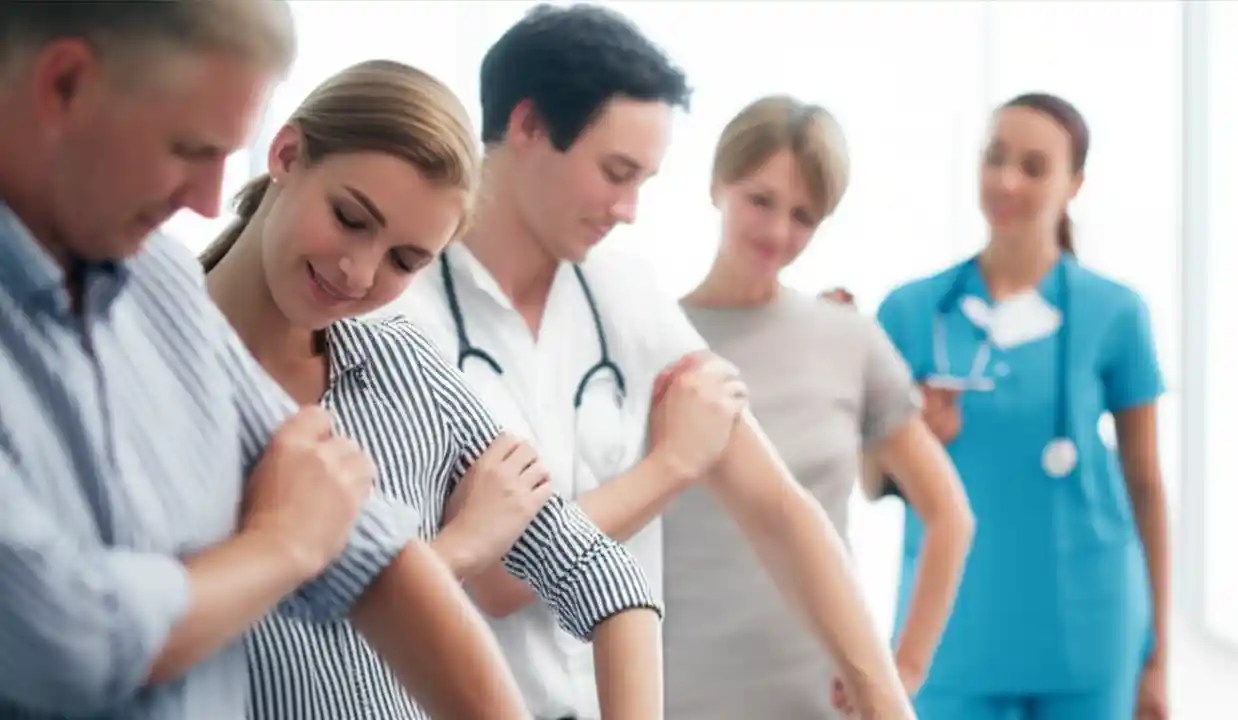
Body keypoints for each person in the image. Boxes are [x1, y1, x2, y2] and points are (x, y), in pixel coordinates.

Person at [0, 3, 533, 718]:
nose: (211, 198)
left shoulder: (156, 280)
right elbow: (70, 639)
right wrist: (281, 544)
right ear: (64, 85)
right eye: (188, 149)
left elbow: (367, 546)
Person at [387, 5, 916, 719]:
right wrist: (671, 465)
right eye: (615, 172)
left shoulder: (624, 292)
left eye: (645, 180)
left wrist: (885, 695)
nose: (630, 208)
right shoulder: (403, 311)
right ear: (529, 125)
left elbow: (777, 509)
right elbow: (503, 574)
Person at [201, 58, 663, 720]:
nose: (358, 273)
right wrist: (458, 551)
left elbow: (610, 584)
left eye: (404, 261)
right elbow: (202, 628)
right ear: (287, 153)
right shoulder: (137, 360)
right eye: (350, 218)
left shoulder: (405, 369)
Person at [667, 95, 975, 719]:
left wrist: (900, 669)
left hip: (818, 699)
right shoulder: (652, 338)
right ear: (716, 183)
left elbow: (949, 515)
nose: (779, 232)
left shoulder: (848, 339)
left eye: (804, 215)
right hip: (672, 691)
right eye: (760, 200)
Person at [874, 93, 1170, 720]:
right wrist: (914, 440)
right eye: (995, 158)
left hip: (1089, 630)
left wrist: (1159, 657)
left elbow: (1144, 485)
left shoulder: (1115, 313)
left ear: (1074, 184)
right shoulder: (909, 312)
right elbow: (873, 484)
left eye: (1034, 167)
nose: (1007, 180)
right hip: (952, 633)